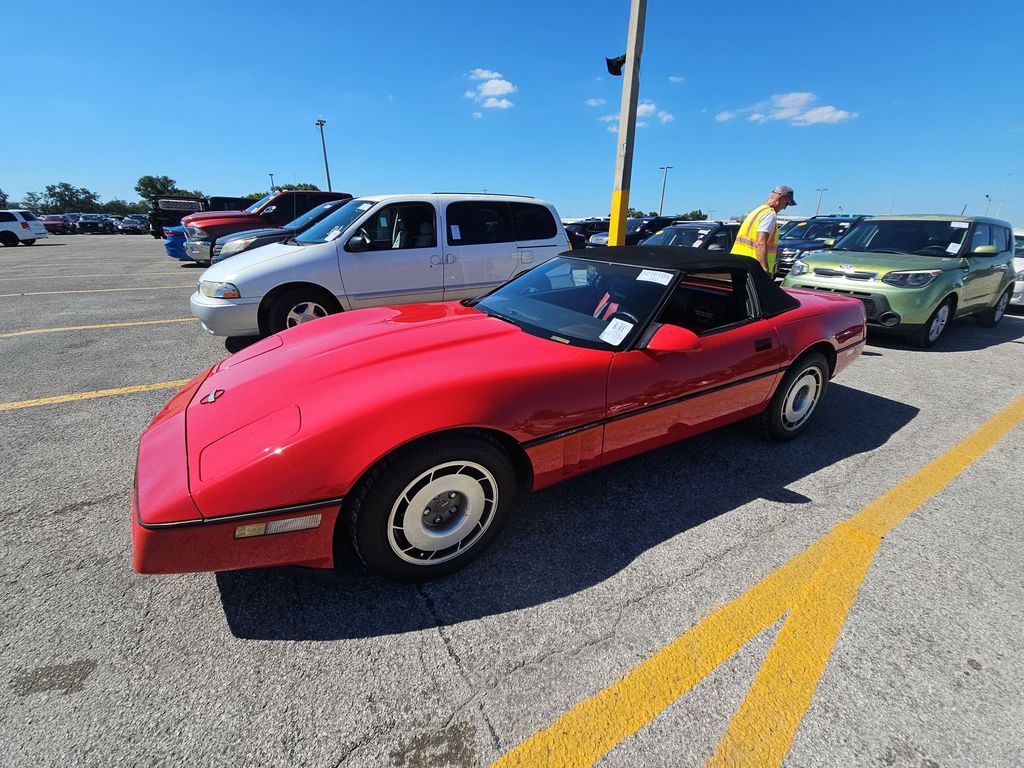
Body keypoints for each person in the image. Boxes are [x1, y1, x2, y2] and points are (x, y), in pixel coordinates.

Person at [731, 185, 797, 275]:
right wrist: (764, 269)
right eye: (786, 204)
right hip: (752, 268)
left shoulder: (757, 211)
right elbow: (760, 243)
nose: (785, 208)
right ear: (780, 198)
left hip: (738, 265)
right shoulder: (769, 215)